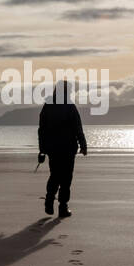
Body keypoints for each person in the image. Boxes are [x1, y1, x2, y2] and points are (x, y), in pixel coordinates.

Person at [38, 79, 87, 218]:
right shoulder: (69, 106)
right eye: (70, 90)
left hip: (53, 148)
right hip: (68, 148)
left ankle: (49, 200)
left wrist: (42, 149)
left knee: (55, 175)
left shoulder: (47, 106)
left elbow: (42, 130)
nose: (71, 92)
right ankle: (63, 207)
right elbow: (78, 127)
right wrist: (83, 145)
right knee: (66, 178)